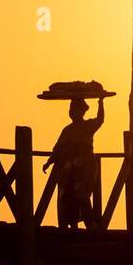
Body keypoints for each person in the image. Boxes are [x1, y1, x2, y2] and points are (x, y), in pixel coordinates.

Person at [43, 95, 106, 229]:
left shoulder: (88, 126)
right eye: (71, 109)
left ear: (82, 111)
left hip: (86, 166)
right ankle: (72, 224)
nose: (72, 112)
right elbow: (58, 147)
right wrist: (49, 161)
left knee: (82, 194)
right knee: (68, 196)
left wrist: (101, 102)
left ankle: (90, 224)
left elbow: (100, 119)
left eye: (75, 109)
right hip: (71, 168)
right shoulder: (67, 130)